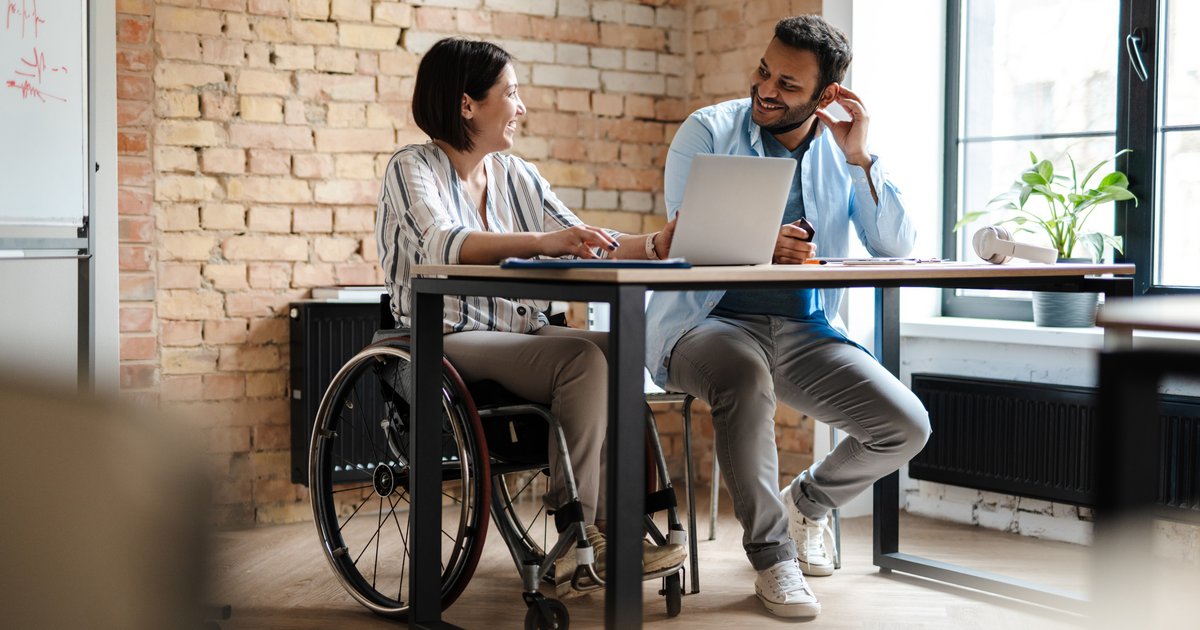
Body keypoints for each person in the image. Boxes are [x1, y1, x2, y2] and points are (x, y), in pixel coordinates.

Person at [375, 37, 684, 598]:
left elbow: (590, 241)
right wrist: (545, 241)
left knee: (618, 348)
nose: (521, 107)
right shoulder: (410, 168)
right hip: (440, 337)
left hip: (518, 332)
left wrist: (659, 242)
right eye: (511, 94)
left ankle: (623, 523)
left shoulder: (519, 175)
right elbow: (446, 243)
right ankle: (578, 530)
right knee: (581, 358)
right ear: (467, 104)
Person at [644, 15, 931, 618]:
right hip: (707, 325)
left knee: (906, 426)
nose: (766, 89)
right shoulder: (707, 131)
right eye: (764, 71)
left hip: (806, 332)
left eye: (788, 84)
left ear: (825, 96)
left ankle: (806, 502)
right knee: (745, 379)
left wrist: (860, 157)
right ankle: (774, 559)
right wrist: (762, 241)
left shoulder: (837, 146)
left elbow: (895, 247)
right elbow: (682, 237)